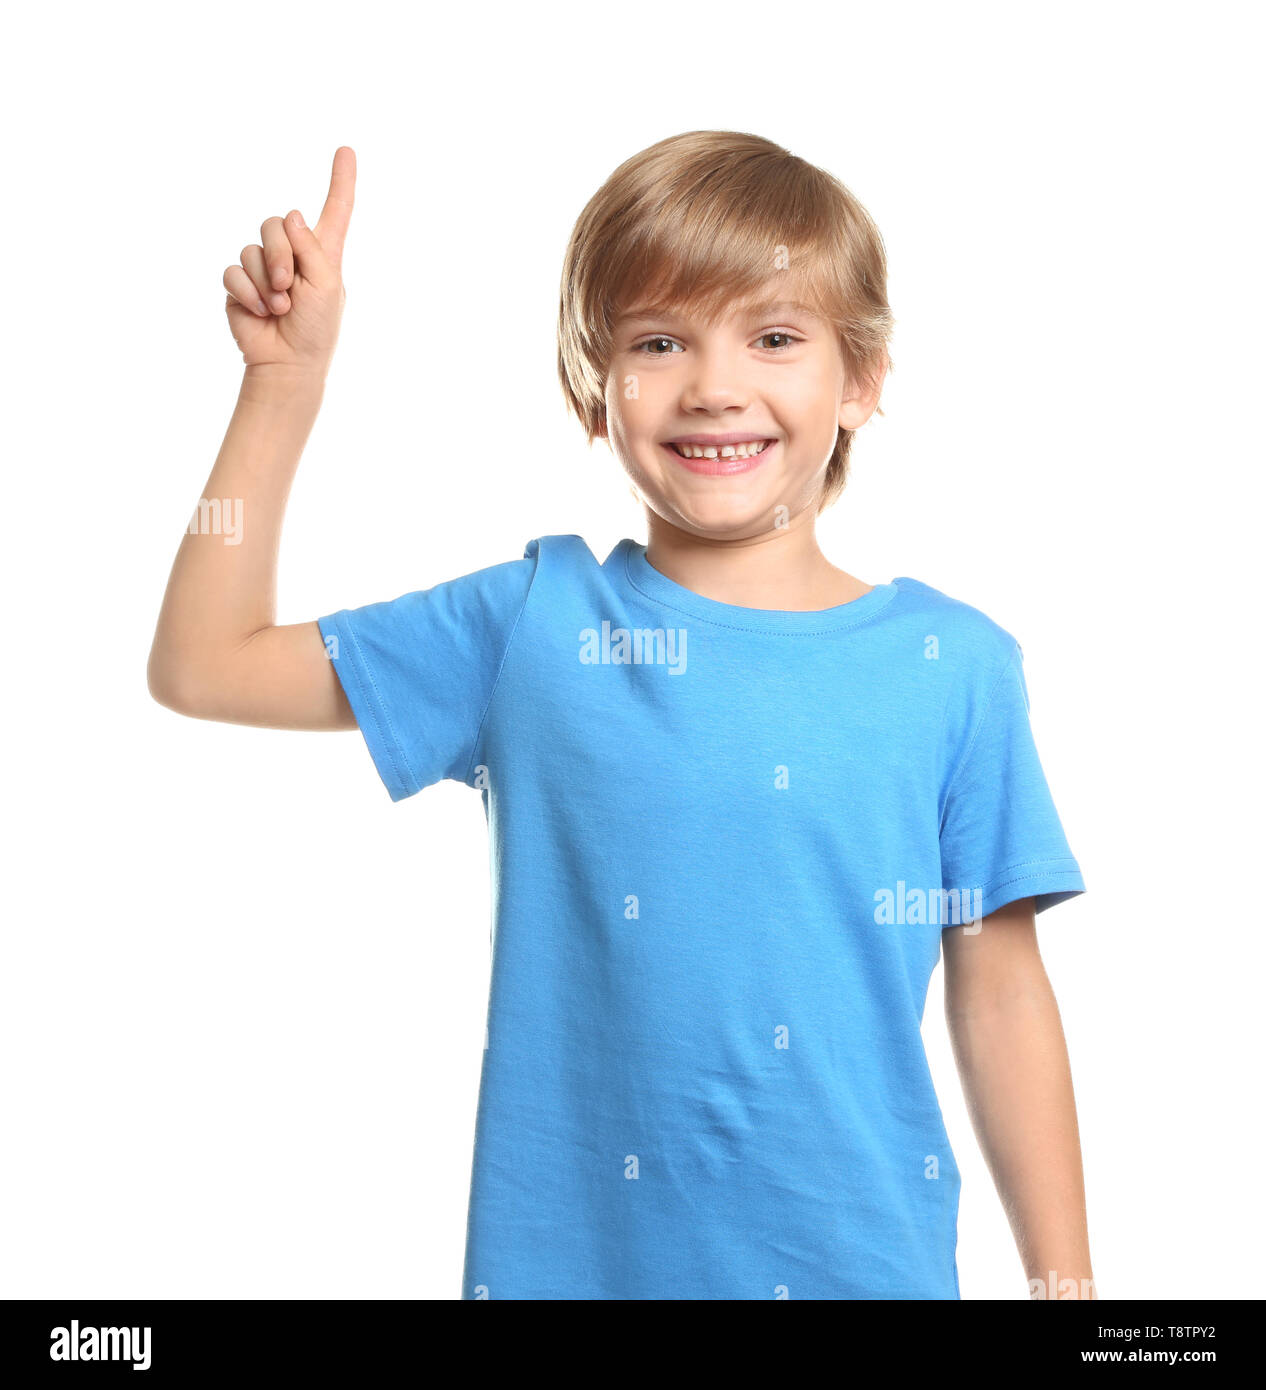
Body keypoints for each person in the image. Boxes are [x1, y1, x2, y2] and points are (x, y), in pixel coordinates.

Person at [148, 133, 1094, 1300]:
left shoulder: (955, 667)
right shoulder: (530, 628)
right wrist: (282, 385)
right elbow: (203, 663)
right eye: (658, 340)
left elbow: (999, 987)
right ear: (591, 389)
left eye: (776, 336)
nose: (714, 384)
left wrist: (1069, 1290)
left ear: (863, 378)